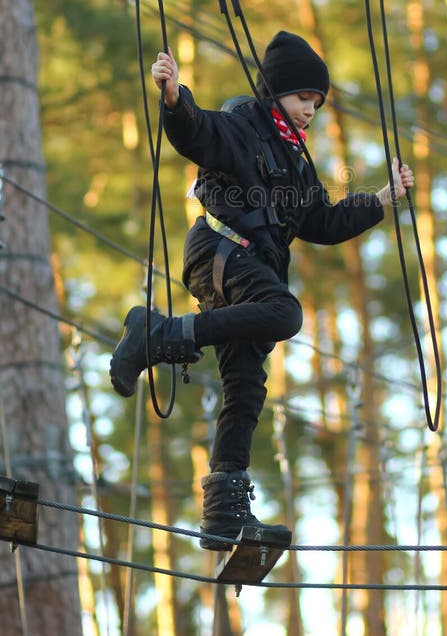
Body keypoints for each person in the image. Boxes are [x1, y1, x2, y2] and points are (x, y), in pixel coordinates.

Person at [110, 30, 414, 550]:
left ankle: (223, 514)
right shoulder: (245, 124)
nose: (310, 111)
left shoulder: (295, 158)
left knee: (247, 390)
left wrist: (381, 201)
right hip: (224, 252)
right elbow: (198, 132)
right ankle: (159, 334)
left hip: (245, 268)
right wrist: (174, 99)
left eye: (317, 103)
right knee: (284, 312)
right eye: (303, 98)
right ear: (276, 92)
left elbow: (319, 218)